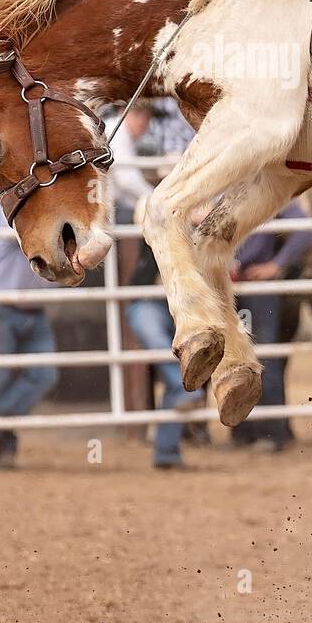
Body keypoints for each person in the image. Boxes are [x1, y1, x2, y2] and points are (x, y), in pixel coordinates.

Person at [110, 99, 205, 469]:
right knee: (172, 365)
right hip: (149, 300)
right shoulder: (148, 208)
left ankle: (167, 452)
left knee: (178, 366)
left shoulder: (172, 206)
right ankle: (171, 438)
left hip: (176, 302)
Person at [0, 166, 59, 468]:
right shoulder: (15, 212)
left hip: (30, 308)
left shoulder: (43, 212)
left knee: (43, 374)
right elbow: (30, 237)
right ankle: (4, 450)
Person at [230, 201, 312, 452]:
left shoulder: (263, 185)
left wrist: (276, 265)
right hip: (229, 285)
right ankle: (246, 430)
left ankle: (271, 431)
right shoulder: (216, 187)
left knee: (263, 356)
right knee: (238, 358)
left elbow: (304, 227)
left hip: (255, 285)